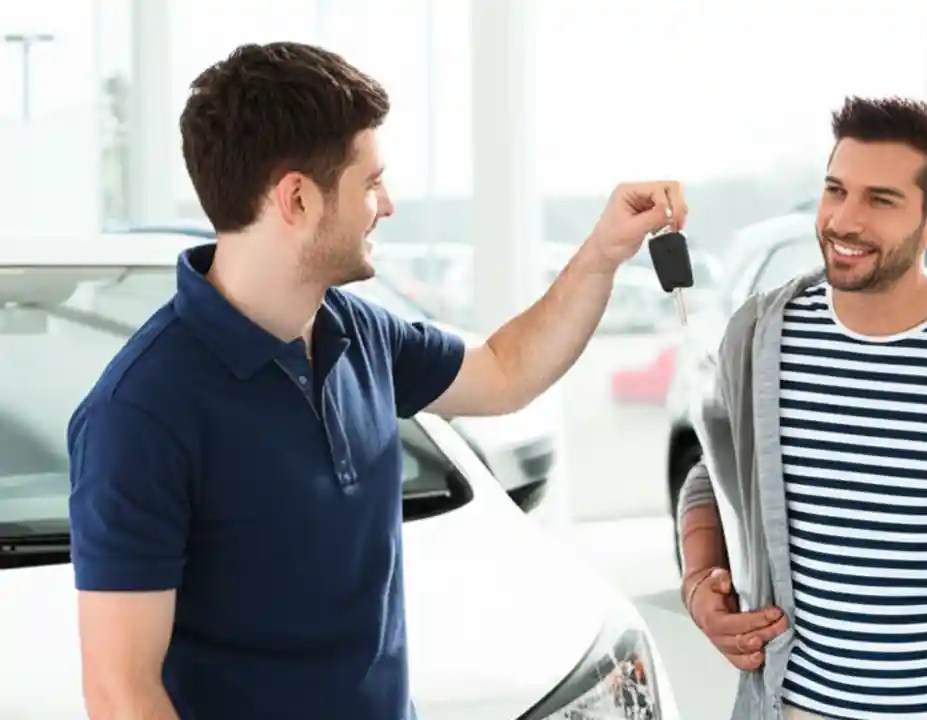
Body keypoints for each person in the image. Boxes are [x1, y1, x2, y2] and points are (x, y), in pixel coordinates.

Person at [66, 42, 686, 720]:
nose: (386, 205)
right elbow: (122, 694)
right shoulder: (142, 413)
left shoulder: (358, 332)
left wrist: (603, 253)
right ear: (296, 198)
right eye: (370, 183)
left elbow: (507, 371)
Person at [677, 95, 927, 720]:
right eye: (835, 190)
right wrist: (698, 582)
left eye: (881, 200)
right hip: (797, 707)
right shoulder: (763, 333)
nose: (844, 220)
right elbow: (714, 473)